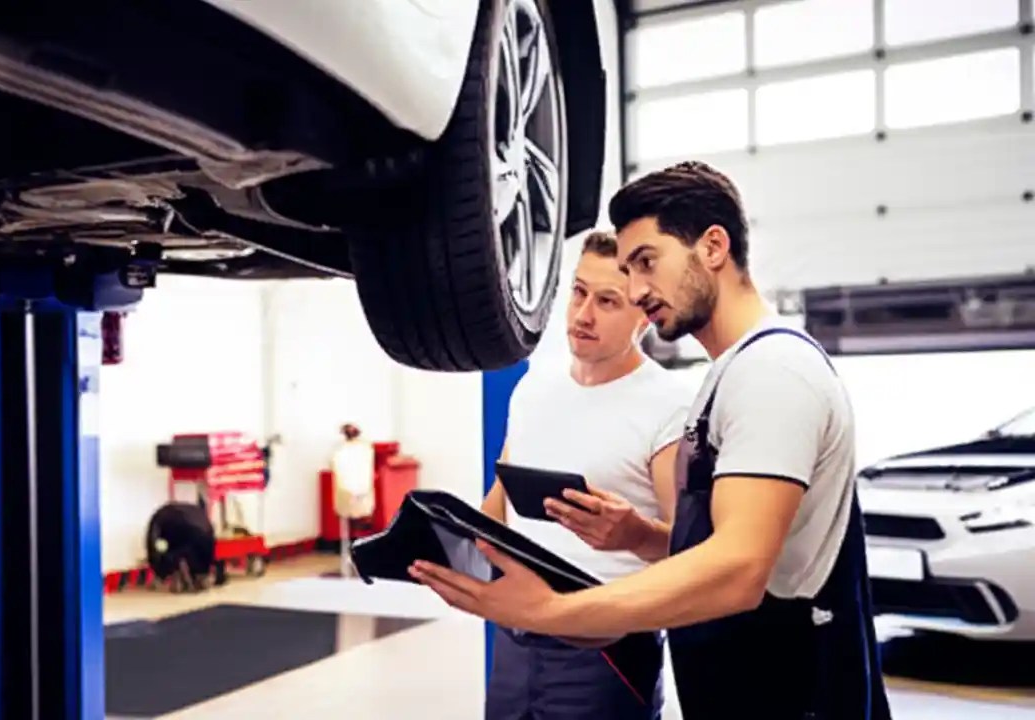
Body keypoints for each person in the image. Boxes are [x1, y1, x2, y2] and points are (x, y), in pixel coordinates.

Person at [410, 161, 892, 720]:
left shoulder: (773, 373)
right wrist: (637, 535)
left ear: (713, 247)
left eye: (646, 263)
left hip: (788, 692)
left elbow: (737, 570)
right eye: (627, 271)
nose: (639, 290)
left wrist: (547, 612)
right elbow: (719, 546)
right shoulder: (732, 374)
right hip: (743, 686)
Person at [481, 231, 693, 720]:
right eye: (578, 292)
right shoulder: (532, 391)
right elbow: (498, 508)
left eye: (607, 301)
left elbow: (693, 552)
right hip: (517, 639)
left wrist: (634, 534)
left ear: (644, 312)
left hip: (609, 650)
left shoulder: (670, 406)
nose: (583, 315)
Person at [331, 422, 373, 577]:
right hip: (358, 491)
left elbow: (339, 470)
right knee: (359, 525)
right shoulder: (364, 449)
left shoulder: (341, 450)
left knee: (347, 527)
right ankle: (354, 558)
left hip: (347, 492)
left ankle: (349, 557)